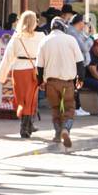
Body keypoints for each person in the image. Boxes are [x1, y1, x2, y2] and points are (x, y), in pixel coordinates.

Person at [0, 10, 45, 138]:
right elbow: (46, 55)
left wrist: (1, 75)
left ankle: (26, 125)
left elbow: (8, 57)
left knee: (21, 98)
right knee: (31, 98)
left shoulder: (16, 38)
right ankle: (27, 126)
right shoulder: (41, 37)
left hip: (18, 70)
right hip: (34, 70)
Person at [37, 18, 84, 150]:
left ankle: (58, 134)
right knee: (69, 108)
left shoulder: (44, 41)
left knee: (55, 108)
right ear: (64, 27)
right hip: (67, 82)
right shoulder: (71, 40)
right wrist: (81, 79)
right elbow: (80, 62)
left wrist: (40, 82)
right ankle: (66, 130)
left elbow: (39, 66)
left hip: (51, 82)